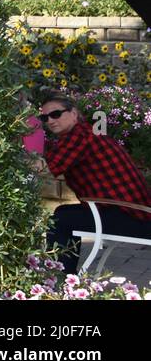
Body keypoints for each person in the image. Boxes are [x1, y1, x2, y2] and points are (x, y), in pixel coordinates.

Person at [38, 90, 151, 274]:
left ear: (73, 113)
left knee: (62, 218)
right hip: (136, 213)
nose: (50, 121)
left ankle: (59, 278)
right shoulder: (85, 133)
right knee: (65, 213)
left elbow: (47, 167)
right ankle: (63, 275)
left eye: (56, 114)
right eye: (44, 118)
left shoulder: (78, 137)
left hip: (135, 218)